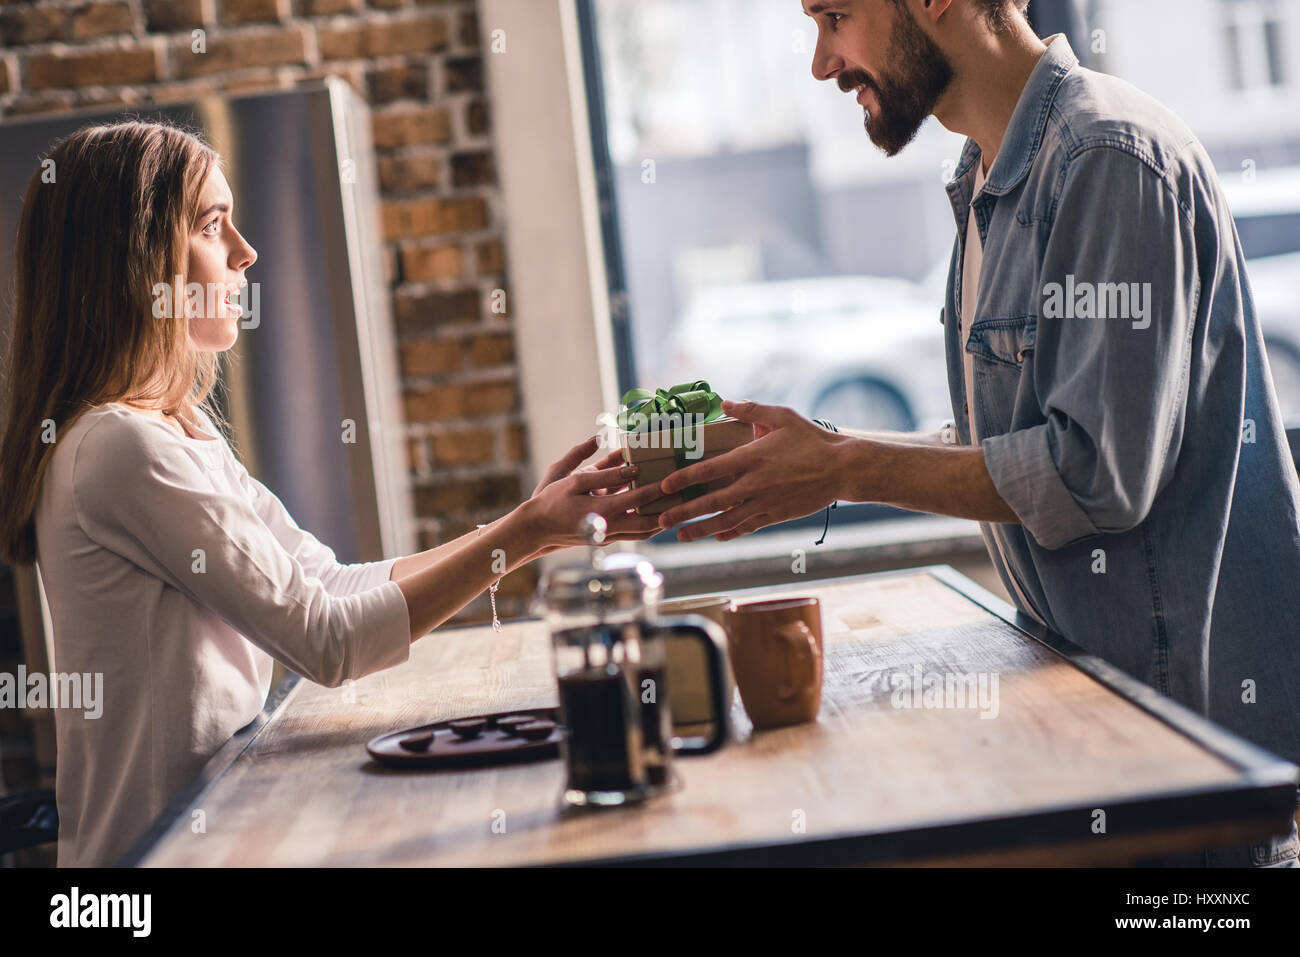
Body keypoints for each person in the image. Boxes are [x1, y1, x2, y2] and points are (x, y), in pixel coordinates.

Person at [654, 0, 1300, 867]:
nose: (822, 63)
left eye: (835, 15)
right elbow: (1000, 441)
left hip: (1191, 784)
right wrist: (808, 448)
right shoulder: (992, 181)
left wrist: (841, 468)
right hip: (1105, 747)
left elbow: (1091, 473)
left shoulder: (1108, 159)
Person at [0, 119, 664, 867]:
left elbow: (328, 585)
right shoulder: (120, 448)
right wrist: (531, 532)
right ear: (139, 261)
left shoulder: (175, 430)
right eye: (214, 225)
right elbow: (326, 639)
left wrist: (527, 524)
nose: (247, 252)